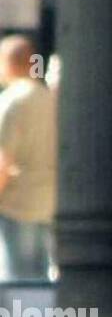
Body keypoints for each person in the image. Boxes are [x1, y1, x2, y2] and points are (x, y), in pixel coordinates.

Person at [0, 35, 56, 282]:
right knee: (42, 276)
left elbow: (3, 159)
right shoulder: (49, 99)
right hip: (49, 201)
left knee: (17, 277)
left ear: (8, 63)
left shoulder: (11, 101)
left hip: (17, 203)